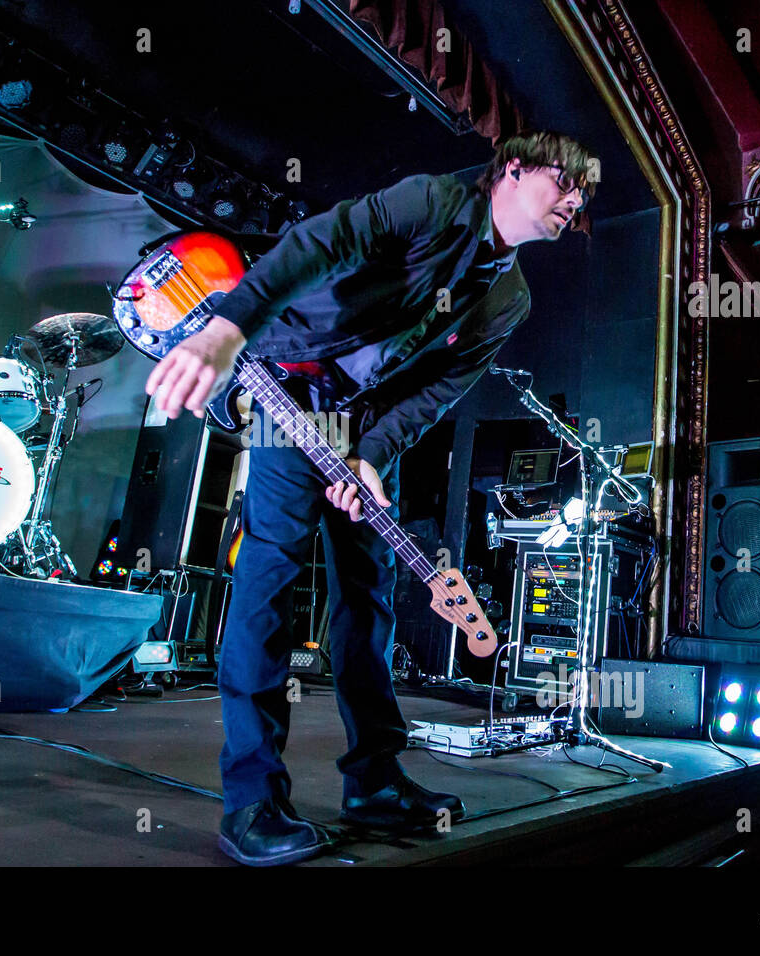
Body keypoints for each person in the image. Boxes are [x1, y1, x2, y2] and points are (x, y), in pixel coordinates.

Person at [145, 130, 596, 866]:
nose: (573, 200)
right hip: (288, 382)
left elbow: (437, 393)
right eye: (563, 183)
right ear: (512, 169)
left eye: (583, 196)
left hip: (354, 421)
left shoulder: (510, 297)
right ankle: (252, 800)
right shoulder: (430, 200)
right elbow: (313, 245)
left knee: (370, 594)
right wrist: (228, 330)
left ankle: (375, 782)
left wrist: (371, 456)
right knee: (271, 581)